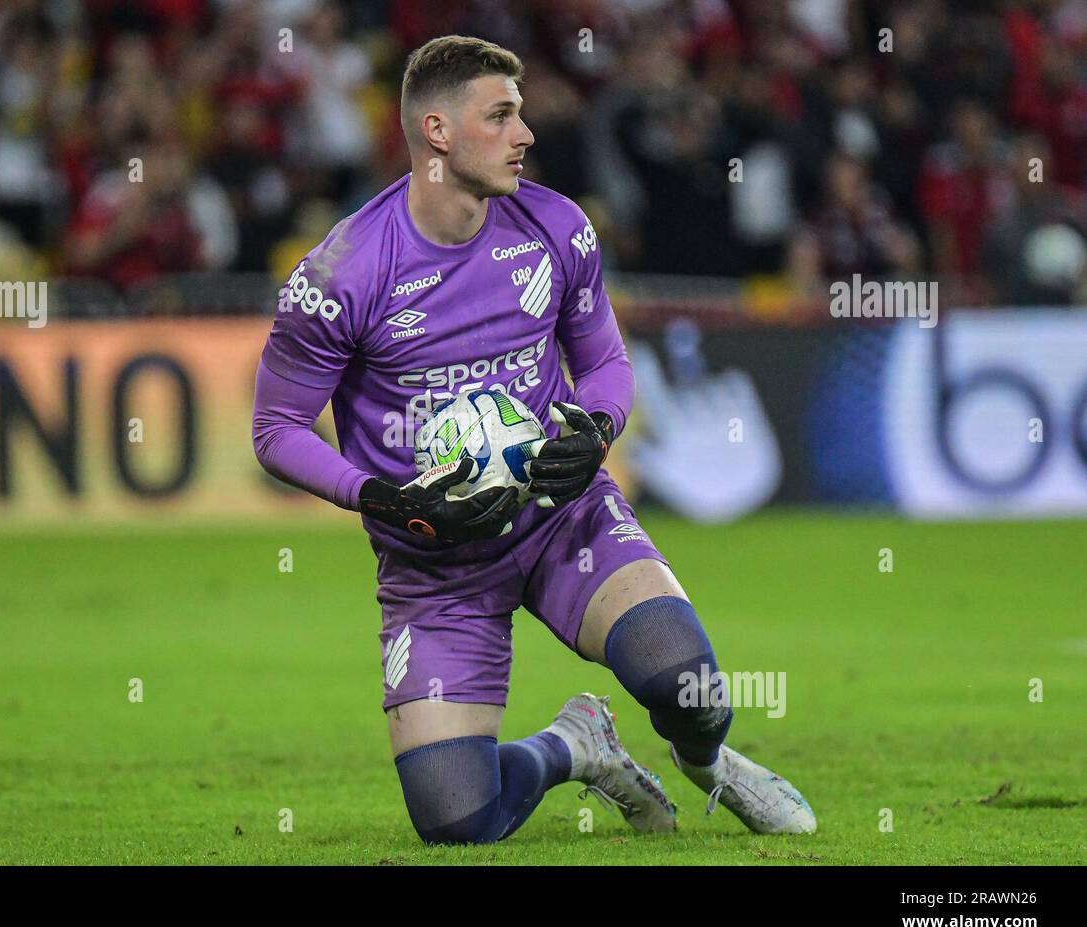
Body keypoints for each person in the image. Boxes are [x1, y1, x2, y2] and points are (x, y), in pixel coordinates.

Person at [252, 35, 815, 845]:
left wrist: (599, 430)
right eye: (503, 116)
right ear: (438, 131)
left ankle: (711, 766)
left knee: (685, 680)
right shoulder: (342, 274)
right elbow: (275, 429)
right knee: (456, 819)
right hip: (433, 560)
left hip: (563, 519)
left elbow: (607, 364)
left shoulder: (555, 226)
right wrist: (378, 497)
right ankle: (578, 745)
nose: (526, 135)